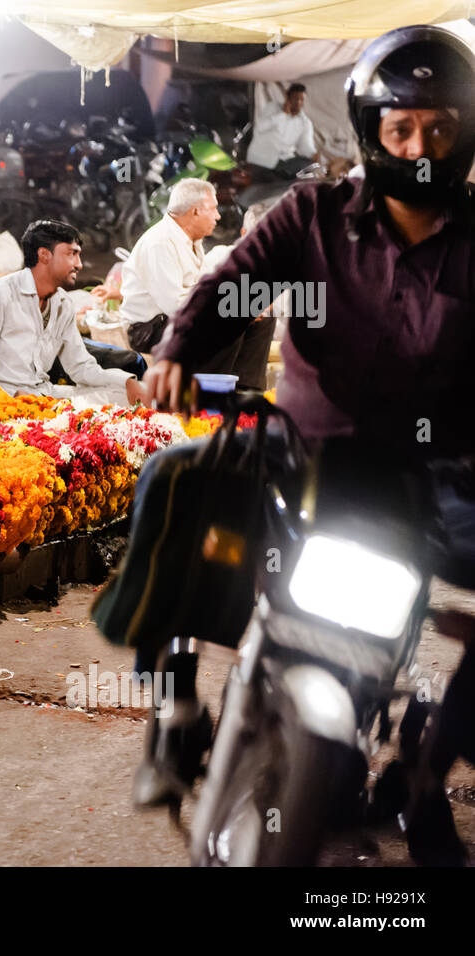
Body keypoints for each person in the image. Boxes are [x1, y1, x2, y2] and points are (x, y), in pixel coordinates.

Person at [131, 25, 475, 865]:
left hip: (440, 476)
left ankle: (429, 772)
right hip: (311, 454)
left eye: (438, 128)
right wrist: (178, 350)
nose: (420, 147)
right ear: (371, 132)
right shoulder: (313, 218)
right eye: (401, 129)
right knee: (172, 482)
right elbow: (232, 285)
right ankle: (173, 699)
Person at [0, 219, 147, 406]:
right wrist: (7, 400)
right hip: (6, 403)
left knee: (137, 393)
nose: (79, 265)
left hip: (46, 396)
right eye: (71, 254)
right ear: (44, 255)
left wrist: (127, 381)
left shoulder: (63, 303)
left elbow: (81, 368)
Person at [121, 179, 275, 389]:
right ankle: (210, 394)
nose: (218, 216)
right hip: (150, 328)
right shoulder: (160, 243)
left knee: (262, 315)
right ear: (194, 212)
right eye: (213, 209)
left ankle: (246, 392)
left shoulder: (191, 240)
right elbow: (175, 305)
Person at [247, 82, 318, 178]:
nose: (298, 102)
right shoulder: (272, 108)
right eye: (295, 98)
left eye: (301, 99)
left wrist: (313, 154)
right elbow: (259, 128)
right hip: (261, 158)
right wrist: (282, 115)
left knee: (309, 166)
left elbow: (305, 145)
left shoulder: (305, 122)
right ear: (287, 98)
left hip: (283, 161)